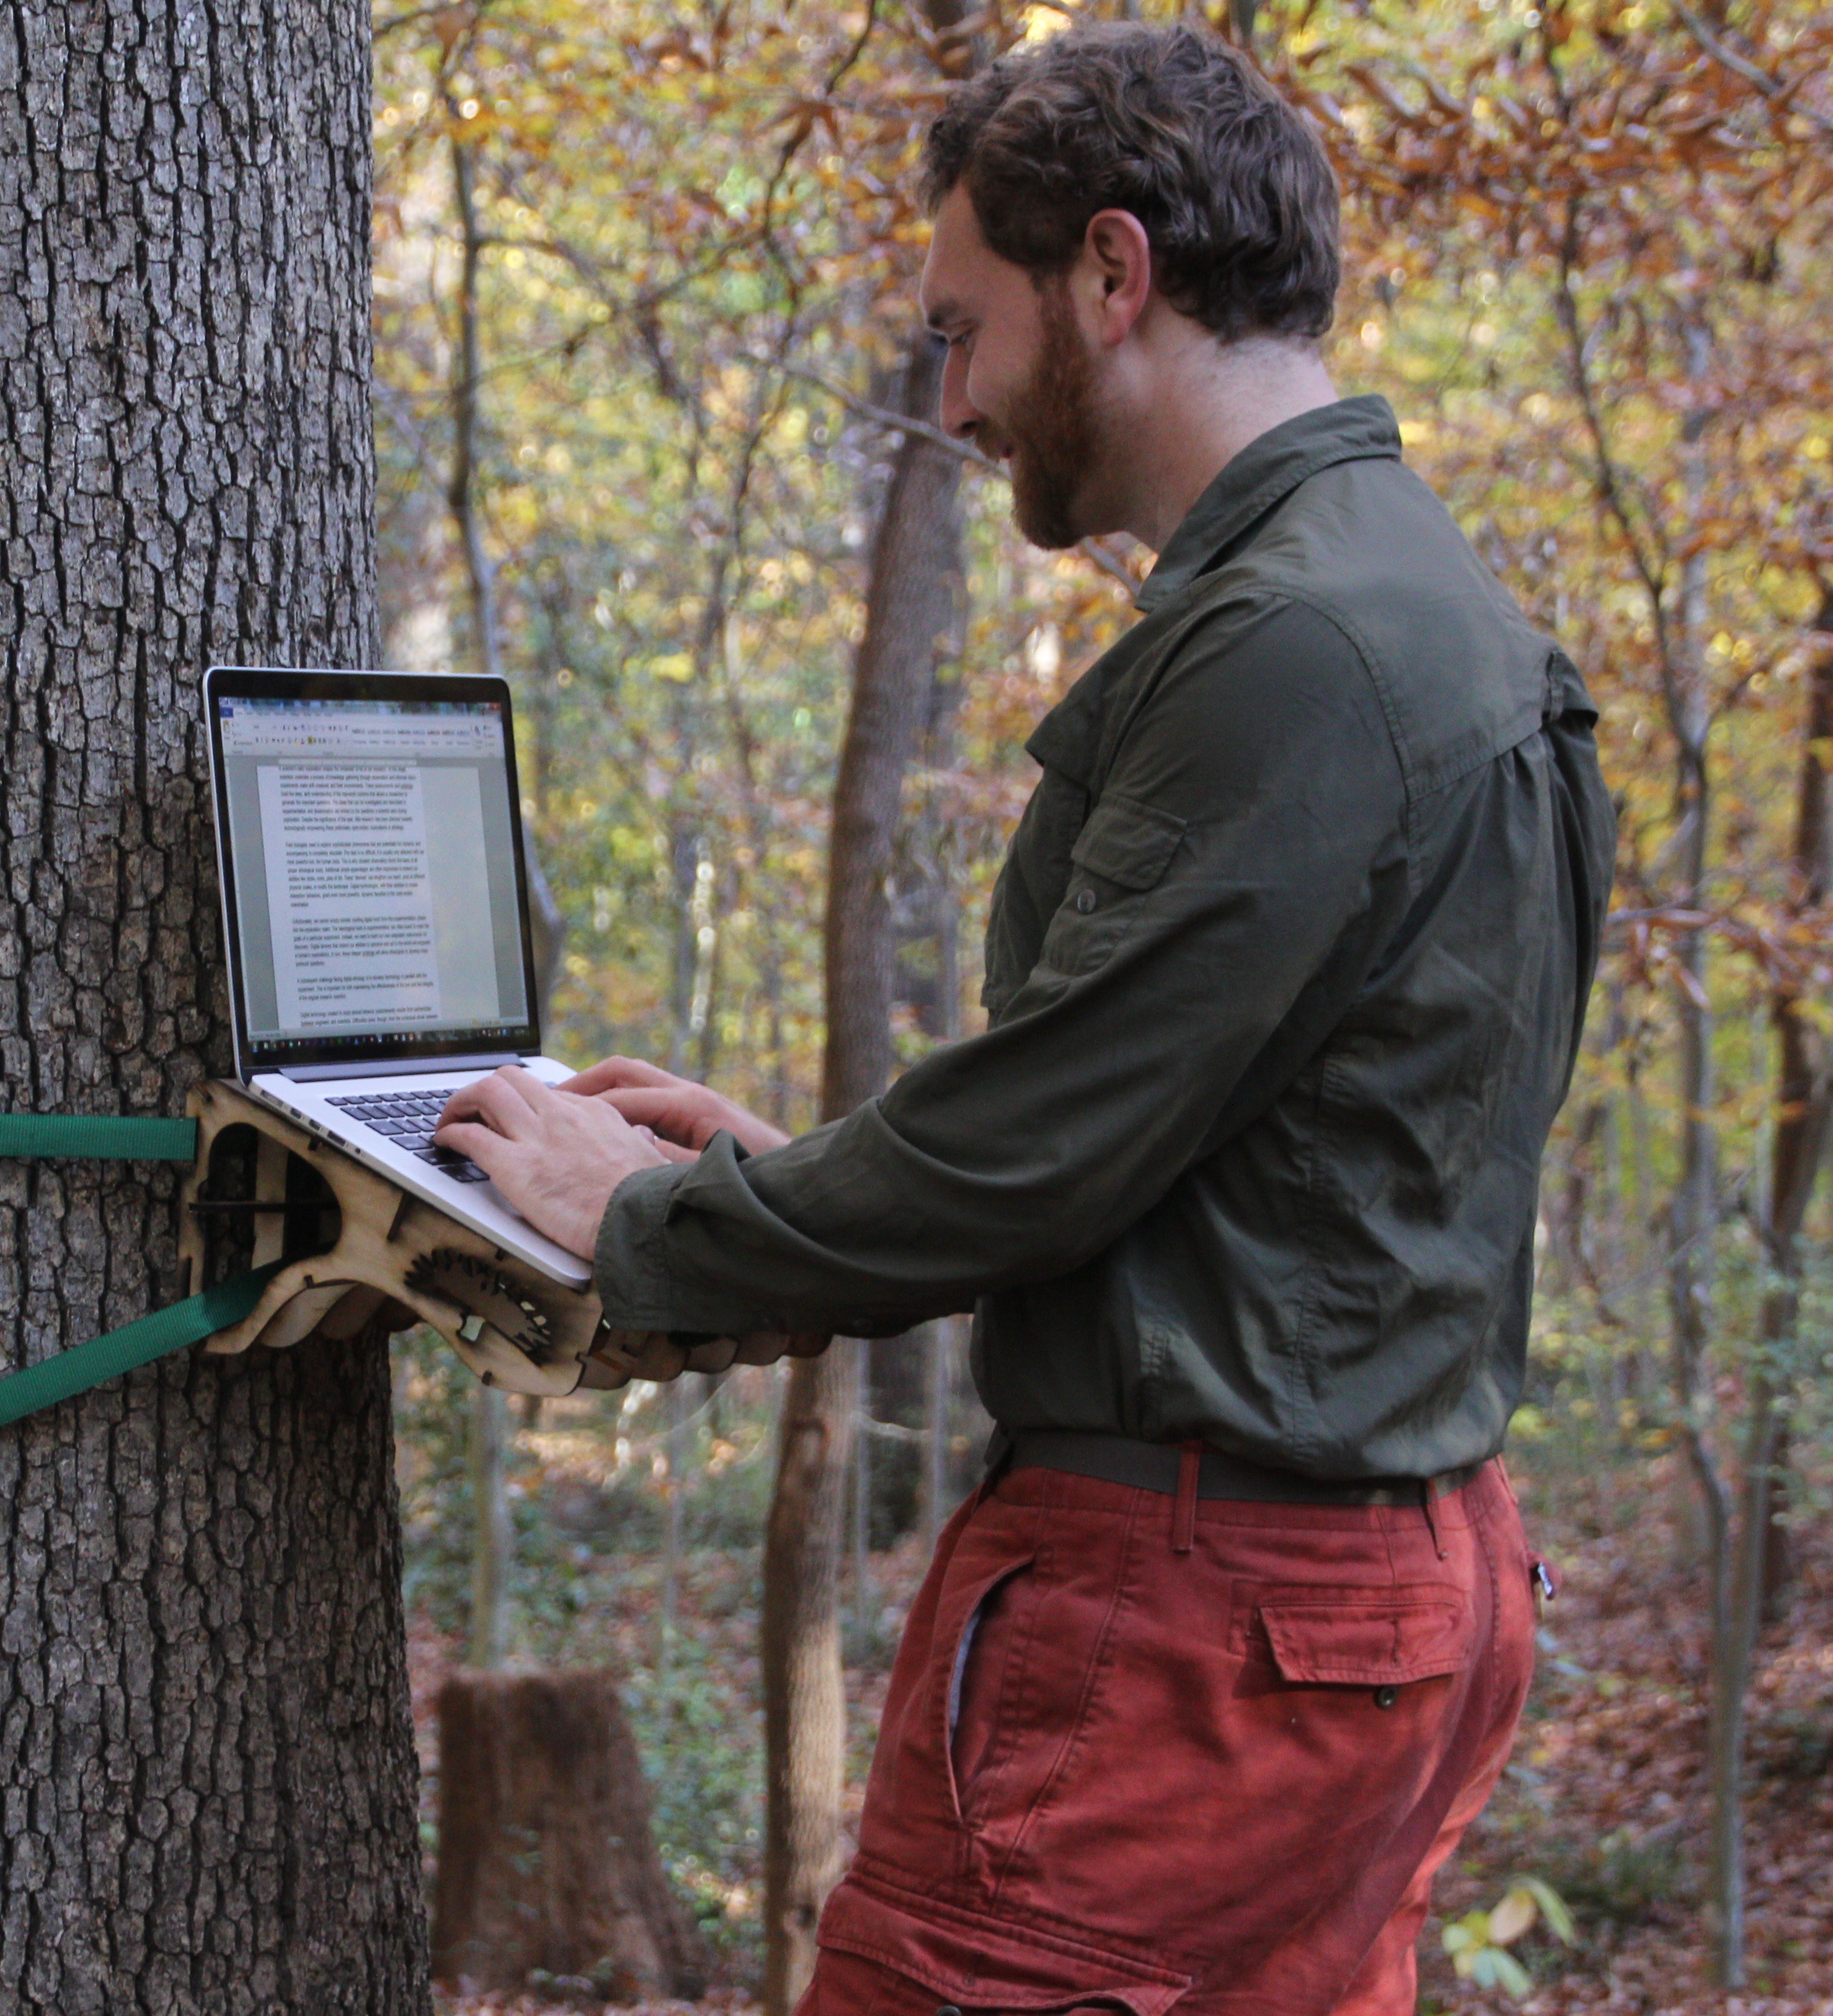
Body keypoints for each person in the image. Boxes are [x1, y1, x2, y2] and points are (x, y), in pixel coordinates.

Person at [436, 22, 1614, 2015]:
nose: (960, 398)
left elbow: (1046, 1145)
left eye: (965, 330)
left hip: (1198, 1634)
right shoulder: (1428, 611)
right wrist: (798, 1184)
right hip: (1363, 1599)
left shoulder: (1299, 648)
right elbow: (1218, 1147)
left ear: (1114, 275)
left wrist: (636, 1224)